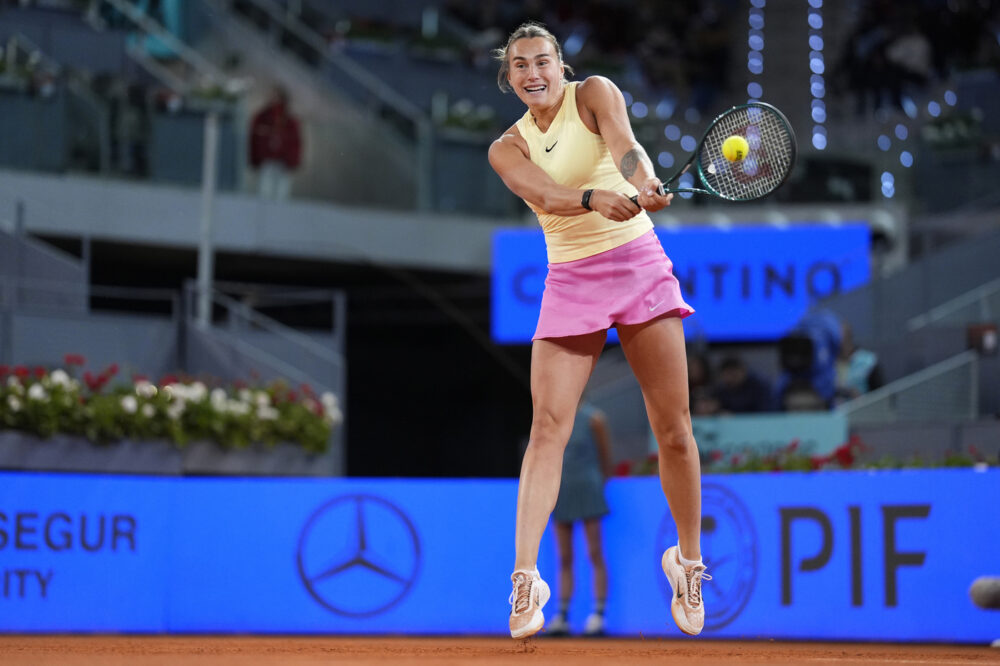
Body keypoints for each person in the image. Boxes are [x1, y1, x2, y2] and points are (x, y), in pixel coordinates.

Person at [489, 22, 709, 640]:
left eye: (542, 61)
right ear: (509, 78)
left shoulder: (593, 93)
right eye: (520, 66)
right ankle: (526, 578)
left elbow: (626, 145)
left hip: (639, 264)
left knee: (674, 429)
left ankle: (688, 563)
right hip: (571, 280)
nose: (533, 73)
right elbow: (543, 192)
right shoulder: (507, 147)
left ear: (561, 65)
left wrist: (642, 182)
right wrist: (591, 198)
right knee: (546, 429)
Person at [546, 402, 613, 638]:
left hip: (588, 487)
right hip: (561, 489)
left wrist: (598, 484)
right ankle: (562, 616)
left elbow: (605, 459)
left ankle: (598, 615)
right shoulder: (551, 418)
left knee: (595, 552)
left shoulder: (595, 419)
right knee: (564, 556)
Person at [249, 86, 302, 201]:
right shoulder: (262, 117)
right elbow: (255, 139)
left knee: (281, 195)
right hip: (266, 160)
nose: (274, 99)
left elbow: (295, 142)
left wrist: (292, 160)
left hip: (284, 162)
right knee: (264, 193)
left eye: (276, 97)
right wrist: (255, 158)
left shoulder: (290, 120)